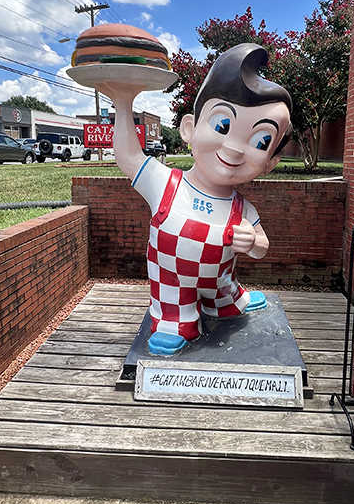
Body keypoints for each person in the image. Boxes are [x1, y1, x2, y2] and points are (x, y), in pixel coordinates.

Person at [98, 43, 292, 355]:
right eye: (222, 125)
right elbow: (129, 156)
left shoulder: (241, 207)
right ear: (189, 128)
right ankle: (175, 319)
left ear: (270, 162)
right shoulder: (165, 183)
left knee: (226, 294)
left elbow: (262, 246)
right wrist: (123, 104)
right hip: (172, 283)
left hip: (221, 281)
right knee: (174, 300)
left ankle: (228, 300)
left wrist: (252, 241)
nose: (234, 148)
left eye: (261, 140)